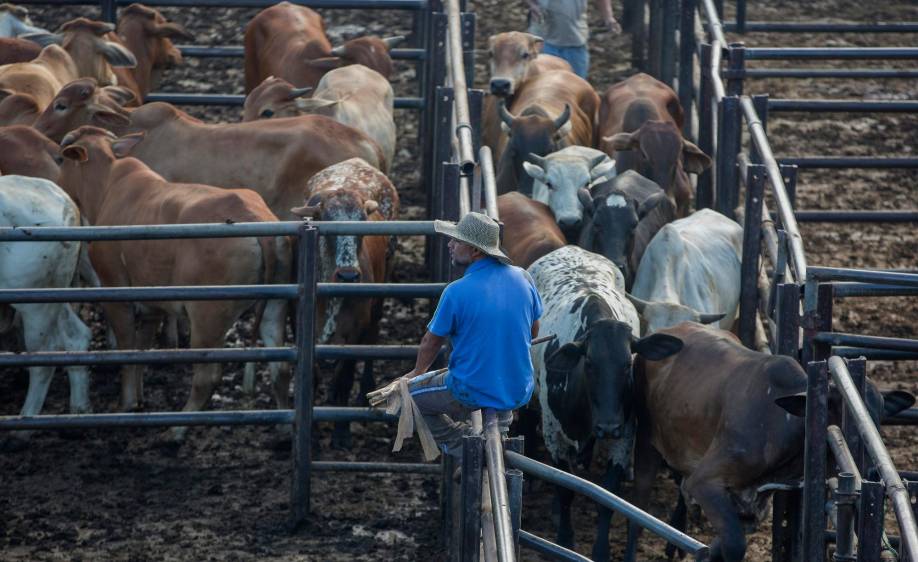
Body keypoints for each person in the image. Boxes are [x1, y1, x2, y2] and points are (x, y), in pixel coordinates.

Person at [405, 212, 542, 459]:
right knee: (499, 405)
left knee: (412, 398)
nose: (450, 245)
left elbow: (431, 341)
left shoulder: (456, 291)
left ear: (475, 251)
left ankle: (466, 448)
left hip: (471, 388)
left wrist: (417, 373)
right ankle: (497, 439)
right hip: (519, 386)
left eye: (456, 241)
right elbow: (534, 329)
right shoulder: (524, 277)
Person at [525, 0, 622, 79]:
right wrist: (533, 5)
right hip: (543, 38)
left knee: (574, 84)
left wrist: (608, 18)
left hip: (574, 39)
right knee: (543, 85)